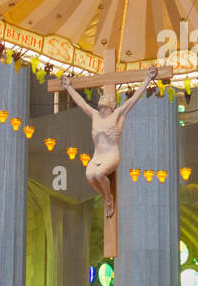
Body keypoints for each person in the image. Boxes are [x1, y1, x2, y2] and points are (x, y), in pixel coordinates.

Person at [63, 67, 158, 217]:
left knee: (99, 174)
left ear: (112, 105)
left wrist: (147, 79)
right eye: (101, 97)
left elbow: (133, 99)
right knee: (89, 176)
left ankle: (108, 199)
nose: (102, 98)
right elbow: (81, 103)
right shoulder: (94, 114)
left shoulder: (118, 114)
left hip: (111, 154)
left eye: (106, 98)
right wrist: (68, 87)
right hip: (97, 155)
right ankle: (107, 196)